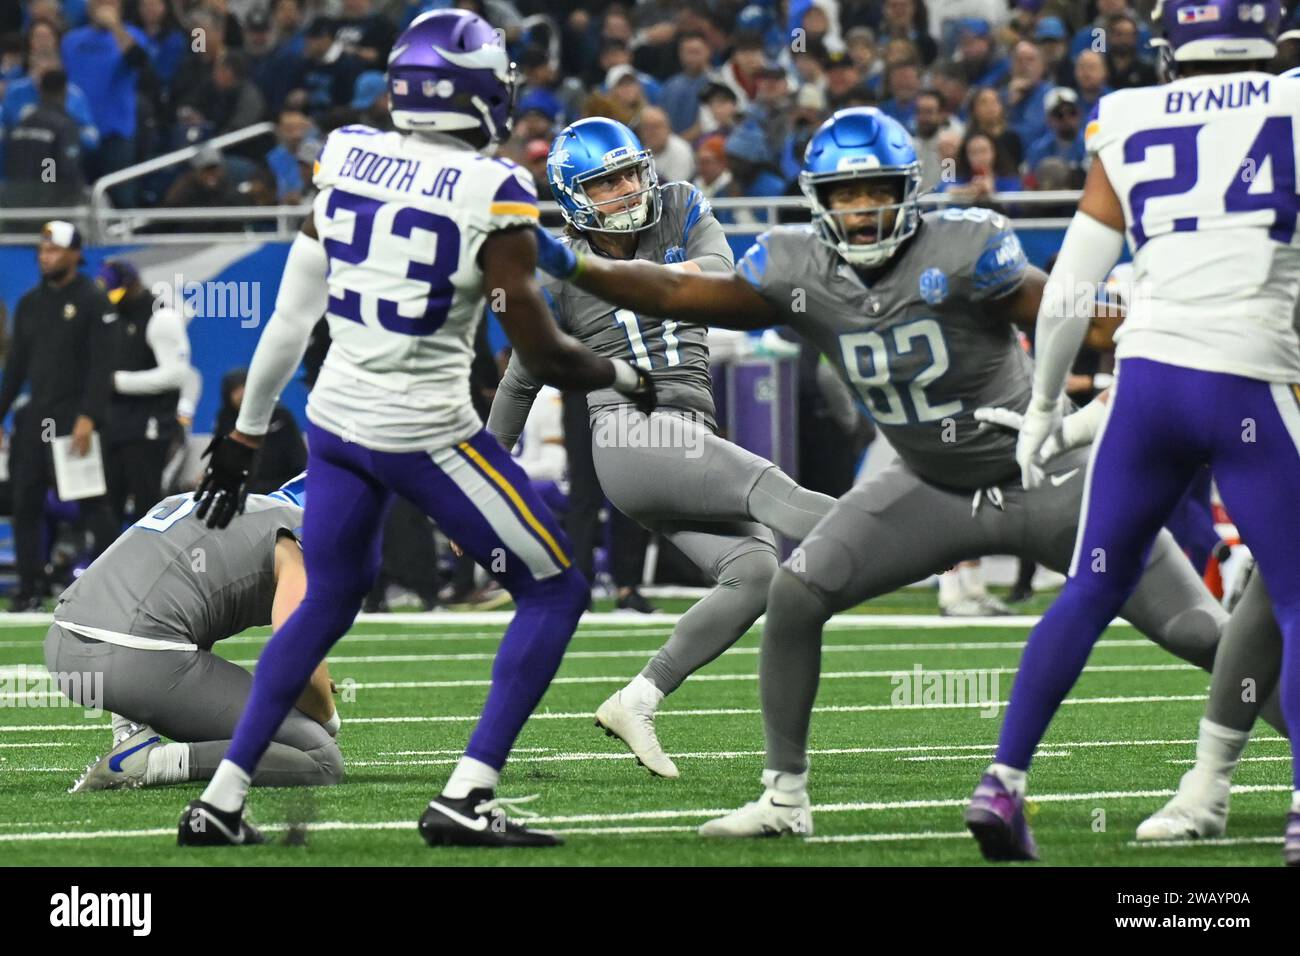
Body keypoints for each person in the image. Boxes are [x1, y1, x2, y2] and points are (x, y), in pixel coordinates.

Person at [529, 107, 1262, 839]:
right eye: (844, 196)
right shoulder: (795, 267)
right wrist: (574, 264)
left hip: (1048, 476)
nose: (862, 210)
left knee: (1197, 630)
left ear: (908, 189)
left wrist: (1153, 324)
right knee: (796, 588)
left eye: (875, 189)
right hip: (931, 486)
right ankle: (784, 800)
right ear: (818, 200)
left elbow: (1072, 314)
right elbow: (677, 293)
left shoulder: (967, 244)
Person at [176, 10, 657, 850]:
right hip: (424, 430)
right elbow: (538, 343)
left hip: (333, 421)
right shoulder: (493, 184)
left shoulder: (348, 155)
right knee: (555, 588)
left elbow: (291, 316)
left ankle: (220, 801)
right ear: (474, 89)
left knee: (326, 598)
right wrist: (627, 376)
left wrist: (246, 435)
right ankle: (468, 796)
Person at [964, 0, 1300, 865]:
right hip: (1253, 383)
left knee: (1089, 587)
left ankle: (1002, 779)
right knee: (1297, 602)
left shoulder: (1129, 116)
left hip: (1148, 384)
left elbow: (1074, 283)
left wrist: (1046, 407)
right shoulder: (1293, 104)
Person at [489, 118, 836, 777]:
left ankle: (638, 698)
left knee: (756, 575)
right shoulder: (560, 272)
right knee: (778, 495)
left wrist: (638, 276)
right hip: (628, 433)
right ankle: (921, 534)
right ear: (573, 197)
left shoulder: (678, 202)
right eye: (606, 182)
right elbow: (519, 380)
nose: (626, 188)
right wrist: (482, 479)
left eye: (629, 172)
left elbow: (723, 274)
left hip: (689, 433)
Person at [47, 475, 343, 792]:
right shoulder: (291, 542)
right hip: (134, 659)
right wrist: (327, 718)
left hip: (64, 648)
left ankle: (129, 731)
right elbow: (298, 662)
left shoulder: (211, 504)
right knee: (320, 758)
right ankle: (151, 763)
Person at [0, 221, 118, 610]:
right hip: (36, 418)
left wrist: (89, 416)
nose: (45, 256)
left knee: (91, 504)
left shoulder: (92, 299)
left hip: (74, 418)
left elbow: (103, 367)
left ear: (74, 254)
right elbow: (16, 370)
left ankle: (111, 586)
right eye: (42, 250)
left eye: (54, 250)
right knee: (25, 502)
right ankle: (30, 587)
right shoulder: (31, 304)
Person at [98, 260, 192, 528]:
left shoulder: (161, 318)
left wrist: (118, 382)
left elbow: (176, 374)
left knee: (147, 503)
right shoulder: (113, 316)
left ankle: (150, 568)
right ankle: (108, 566)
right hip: (115, 424)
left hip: (149, 427)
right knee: (108, 503)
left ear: (134, 285)